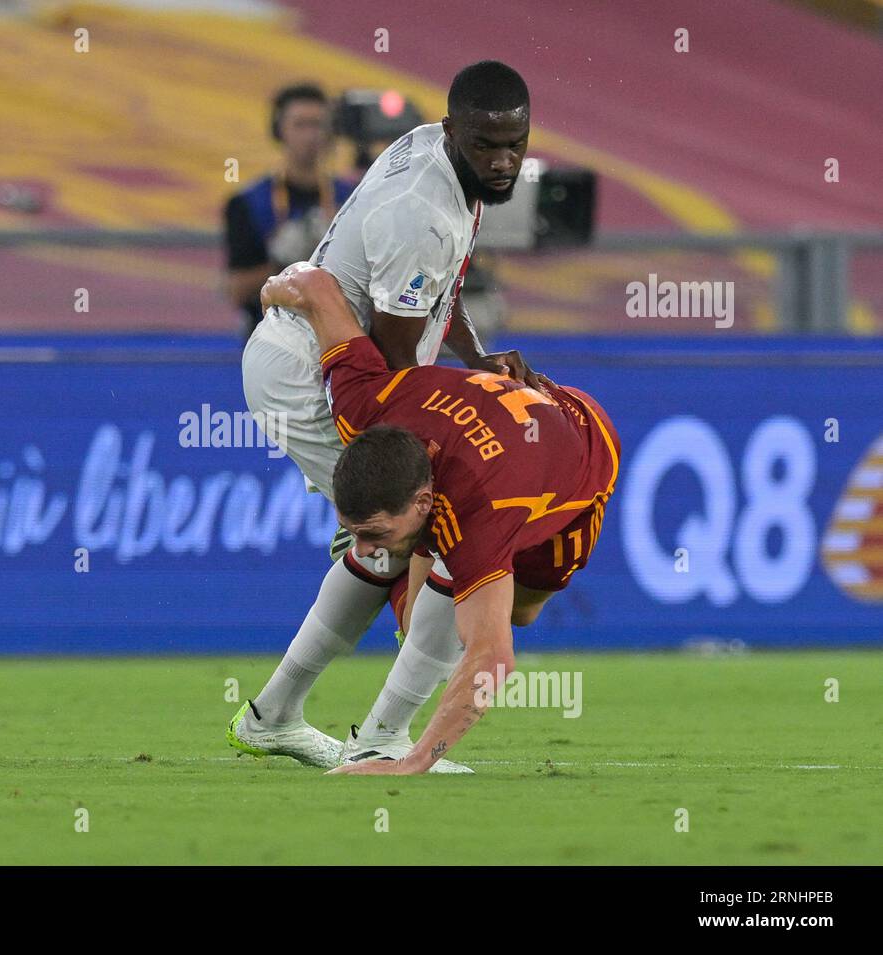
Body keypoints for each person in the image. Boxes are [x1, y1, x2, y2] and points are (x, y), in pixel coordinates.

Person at [229, 61, 541, 770]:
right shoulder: (422, 213)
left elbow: (439, 294)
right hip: (310, 375)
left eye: (514, 144)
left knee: (394, 535)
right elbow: (396, 377)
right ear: (455, 130)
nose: (503, 161)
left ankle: (274, 714)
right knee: (440, 519)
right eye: (488, 146)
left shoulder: (440, 157)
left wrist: (477, 358)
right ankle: (381, 738)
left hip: (306, 359)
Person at [260, 263, 619, 775]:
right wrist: (273, 290)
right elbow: (317, 287)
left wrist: (415, 766)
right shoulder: (363, 404)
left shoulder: (484, 515)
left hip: (582, 454)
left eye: (374, 533)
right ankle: (379, 737)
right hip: (492, 447)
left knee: (518, 614)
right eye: (355, 532)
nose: (367, 546)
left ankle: (389, 745)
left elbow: (494, 661)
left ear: (425, 502)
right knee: (434, 606)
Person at [223, 83, 356, 339]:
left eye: (318, 125)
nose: (310, 136)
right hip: (271, 337)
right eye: (300, 125)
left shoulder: (354, 196)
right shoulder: (247, 203)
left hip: (340, 337)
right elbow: (237, 290)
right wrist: (282, 260)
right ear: (279, 131)